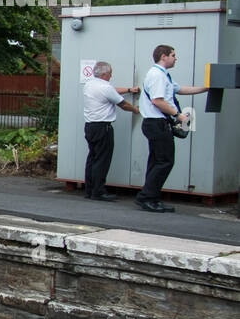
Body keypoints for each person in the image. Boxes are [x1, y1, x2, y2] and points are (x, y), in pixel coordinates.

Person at [136, 44, 207, 212]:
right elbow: (158, 101)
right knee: (165, 161)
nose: (176, 58)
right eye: (173, 55)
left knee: (157, 161)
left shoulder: (163, 75)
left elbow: (180, 89)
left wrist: (206, 88)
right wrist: (178, 115)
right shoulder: (157, 76)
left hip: (156, 124)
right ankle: (147, 197)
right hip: (157, 123)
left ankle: (151, 197)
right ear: (163, 57)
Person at [81, 61, 137, 201]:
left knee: (92, 158)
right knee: (102, 160)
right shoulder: (105, 88)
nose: (111, 76)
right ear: (105, 74)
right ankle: (98, 192)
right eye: (110, 73)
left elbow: (112, 90)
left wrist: (129, 90)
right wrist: (136, 110)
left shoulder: (90, 84)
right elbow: (123, 104)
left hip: (90, 127)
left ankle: (89, 190)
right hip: (102, 128)